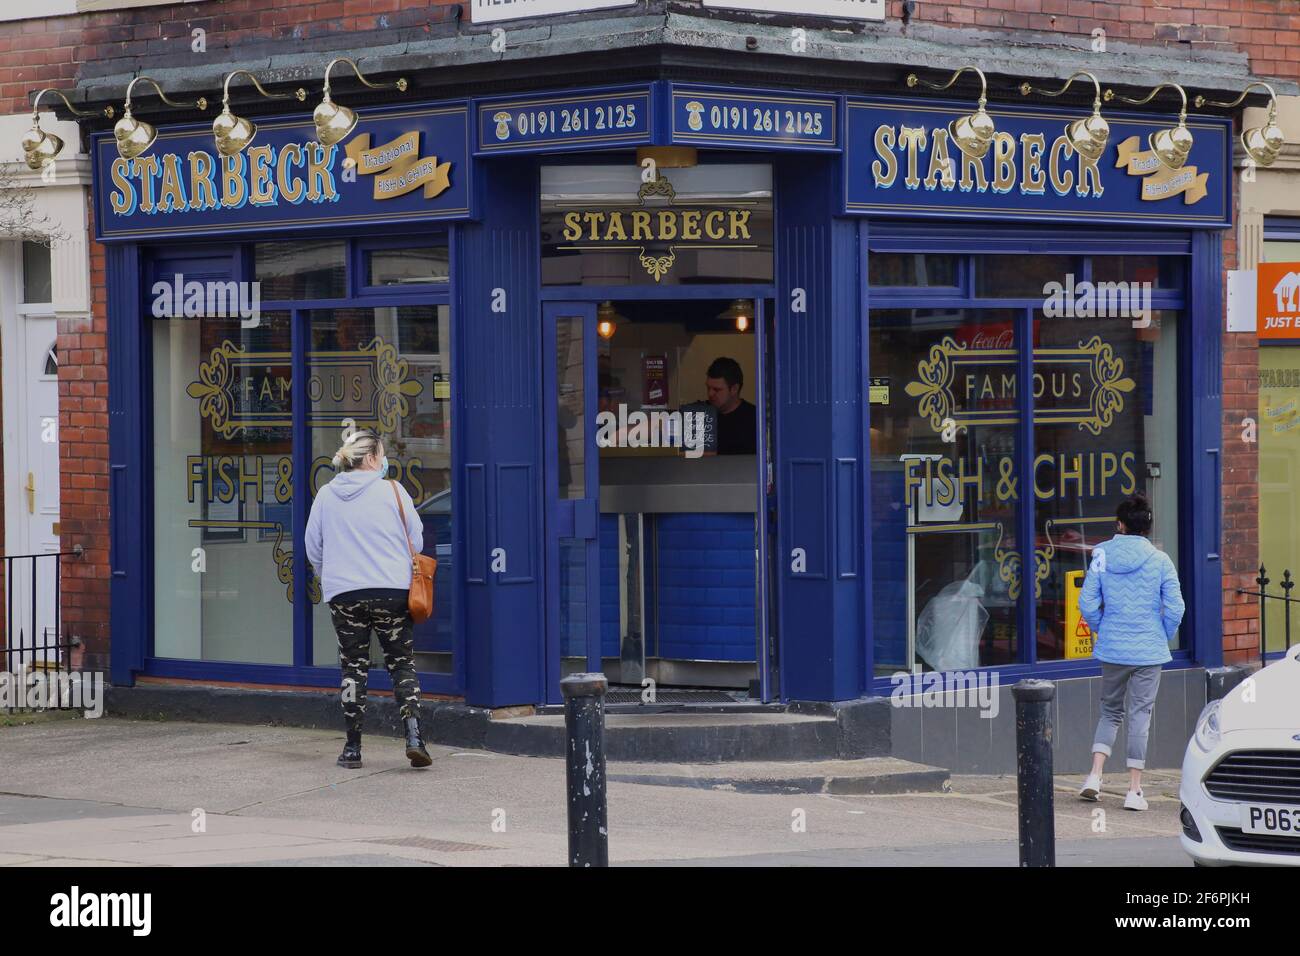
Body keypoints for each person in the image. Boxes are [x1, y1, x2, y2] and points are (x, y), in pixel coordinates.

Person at [305, 429, 432, 770]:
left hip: (345, 594)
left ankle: (352, 747)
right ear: (374, 457)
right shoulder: (393, 490)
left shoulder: (326, 496)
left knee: (353, 668)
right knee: (401, 662)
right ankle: (414, 735)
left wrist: (330, 576)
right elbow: (416, 541)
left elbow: (312, 547)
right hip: (392, 590)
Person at [1076, 493, 1184, 810]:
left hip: (1113, 648)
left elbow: (1086, 603)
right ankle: (1134, 791)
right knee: (1140, 715)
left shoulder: (1101, 554)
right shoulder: (1161, 560)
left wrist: (1103, 627)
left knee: (1110, 711)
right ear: (1147, 528)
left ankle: (1094, 776)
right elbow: (1176, 608)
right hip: (1149, 652)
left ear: (1119, 524)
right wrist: (1160, 636)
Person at [705, 357, 757, 455]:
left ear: (734, 389)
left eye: (716, 389)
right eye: (708, 388)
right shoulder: (699, 415)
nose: (710, 393)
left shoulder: (754, 419)